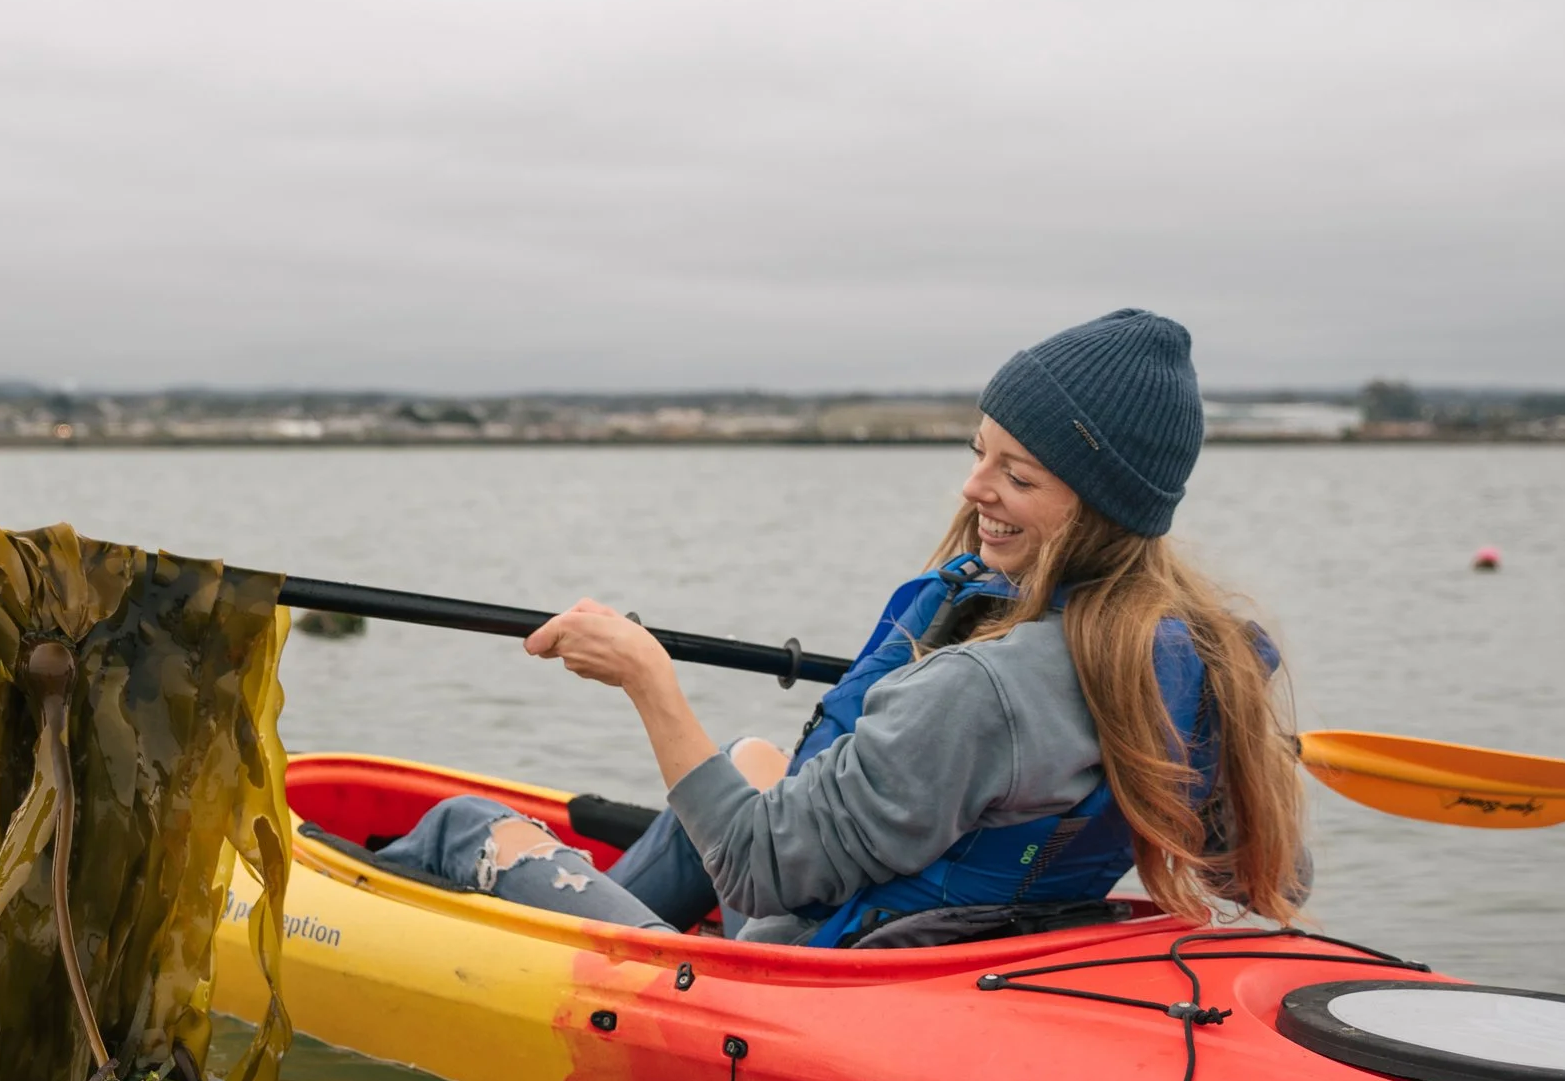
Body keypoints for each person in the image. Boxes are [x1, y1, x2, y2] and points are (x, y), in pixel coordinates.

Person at [371, 309, 1307, 947]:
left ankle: (344, 930)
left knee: (467, 828)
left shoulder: (984, 689)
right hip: (949, 947)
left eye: (1018, 476)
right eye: (981, 454)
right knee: (746, 757)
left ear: (1104, 507)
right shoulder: (1205, 656)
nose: (976, 489)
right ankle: (593, 925)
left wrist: (645, 676)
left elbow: (754, 870)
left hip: (817, 969)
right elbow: (1272, 875)